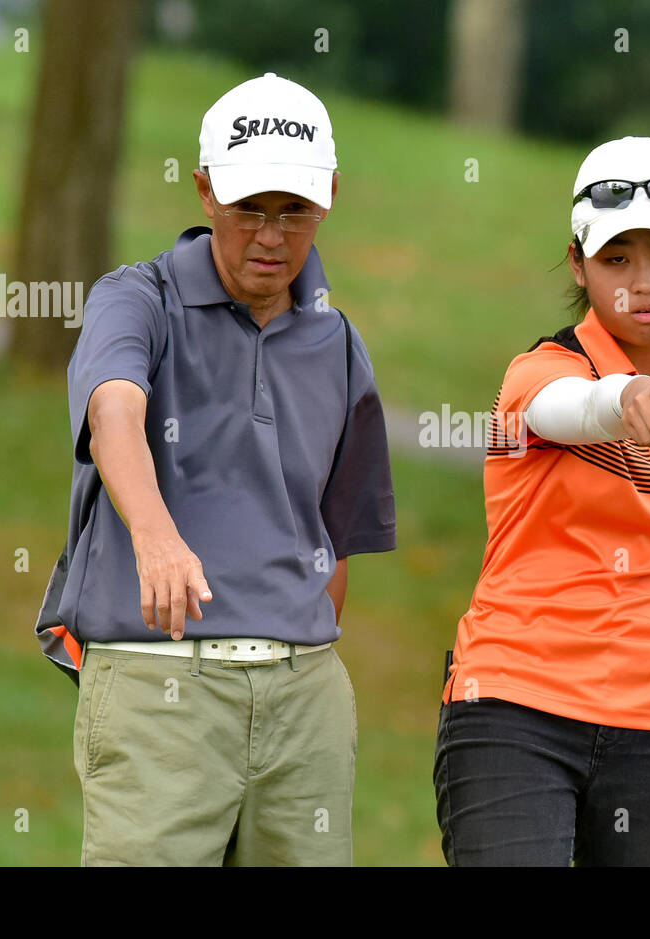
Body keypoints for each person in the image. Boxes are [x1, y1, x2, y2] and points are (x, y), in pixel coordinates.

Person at [34, 73, 396, 866]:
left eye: (293, 209)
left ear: (328, 197)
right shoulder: (136, 300)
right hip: (160, 687)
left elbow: (333, 543)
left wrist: (293, 647)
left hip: (303, 705)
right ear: (204, 192)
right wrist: (157, 536)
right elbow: (114, 410)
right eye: (248, 209)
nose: (270, 235)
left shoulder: (337, 344)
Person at [433, 136, 650, 866]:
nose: (642, 282)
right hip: (513, 710)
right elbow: (566, 409)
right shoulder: (538, 374)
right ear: (579, 265)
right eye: (616, 259)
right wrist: (627, 396)